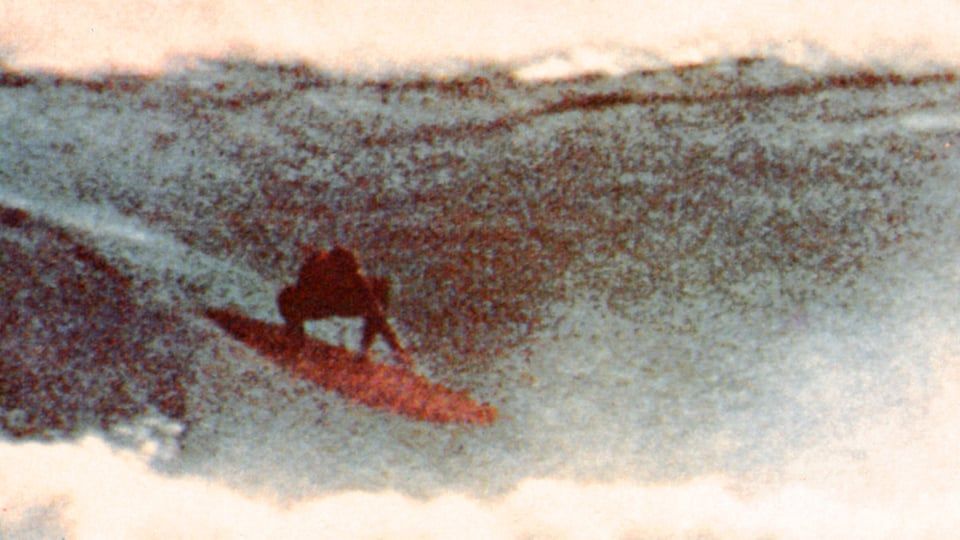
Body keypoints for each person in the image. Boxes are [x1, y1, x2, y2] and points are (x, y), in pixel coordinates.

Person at [277, 246, 412, 366]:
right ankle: (295, 338)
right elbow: (296, 297)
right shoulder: (314, 268)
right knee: (286, 296)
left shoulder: (356, 280)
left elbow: (377, 315)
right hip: (319, 303)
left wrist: (398, 351)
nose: (348, 278)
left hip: (343, 303)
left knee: (380, 290)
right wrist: (295, 327)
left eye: (350, 274)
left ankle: (364, 351)